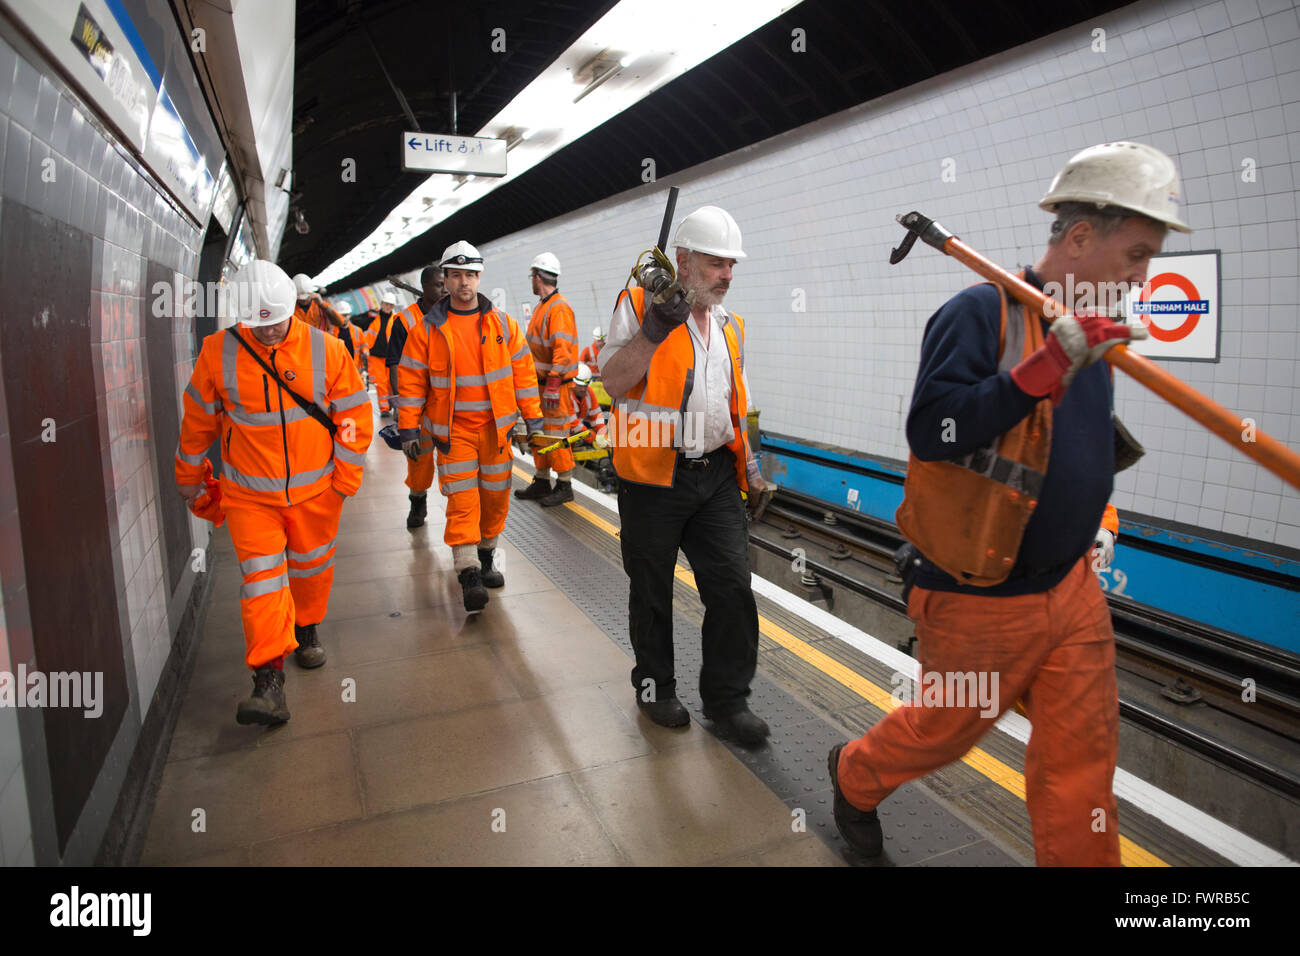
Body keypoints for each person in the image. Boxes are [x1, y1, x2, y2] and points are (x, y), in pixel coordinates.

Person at [827, 141, 1187, 866]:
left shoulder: (1094, 337)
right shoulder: (980, 314)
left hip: (1072, 592)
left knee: (1082, 771)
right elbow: (935, 430)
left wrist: (1101, 522)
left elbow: (1082, 452)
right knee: (944, 730)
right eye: (1135, 255)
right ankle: (854, 775)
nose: (1143, 276)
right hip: (980, 593)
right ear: (1081, 238)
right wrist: (1043, 367)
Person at [600, 205, 773, 746]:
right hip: (653, 473)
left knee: (732, 589)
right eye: (717, 262)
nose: (727, 274)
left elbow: (734, 404)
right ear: (683, 259)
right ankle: (656, 690)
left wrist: (752, 468)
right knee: (651, 590)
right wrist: (653, 330)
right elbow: (612, 381)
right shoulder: (636, 305)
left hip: (716, 474)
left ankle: (727, 701)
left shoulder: (730, 326)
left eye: (731, 265)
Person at [176, 260, 373, 724]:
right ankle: (268, 681)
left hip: (315, 493)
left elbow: (354, 418)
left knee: (310, 569)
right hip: (249, 495)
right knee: (261, 582)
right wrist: (188, 476)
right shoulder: (217, 353)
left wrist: (343, 481)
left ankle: (306, 627)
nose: (267, 332)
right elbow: (197, 422)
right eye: (256, 324)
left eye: (276, 321)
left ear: (293, 309)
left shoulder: (325, 350)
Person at [394, 241, 549, 611]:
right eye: (456, 275)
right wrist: (409, 429)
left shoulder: (502, 325)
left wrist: (534, 420)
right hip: (453, 433)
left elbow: (523, 376)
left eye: (470, 275)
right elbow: (412, 382)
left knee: (494, 498)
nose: (464, 282)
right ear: (445, 279)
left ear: (479, 278)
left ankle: (486, 555)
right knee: (462, 501)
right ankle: (468, 574)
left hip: (497, 431)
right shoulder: (426, 330)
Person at [515, 252, 580, 507]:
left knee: (555, 435)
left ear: (538, 277)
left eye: (532, 276)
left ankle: (564, 485)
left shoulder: (558, 307)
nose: (531, 280)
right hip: (540, 386)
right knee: (540, 435)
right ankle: (542, 481)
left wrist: (553, 383)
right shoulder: (544, 305)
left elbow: (562, 350)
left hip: (554, 388)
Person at [387, 266, 446, 529]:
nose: (444, 289)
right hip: (418, 405)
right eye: (437, 285)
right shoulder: (404, 321)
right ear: (424, 288)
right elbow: (395, 365)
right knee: (419, 459)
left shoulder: (454, 314)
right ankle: (417, 499)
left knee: (452, 461)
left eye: (446, 284)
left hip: (447, 404)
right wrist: (402, 405)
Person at [570, 362, 615, 492]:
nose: (583, 389)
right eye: (580, 385)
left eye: (585, 385)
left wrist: (603, 434)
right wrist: (593, 438)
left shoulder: (588, 392)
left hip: (577, 435)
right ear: (573, 382)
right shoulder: (567, 394)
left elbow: (596, 416)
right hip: (564, 434)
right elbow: (572, 423)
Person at [362, 292, 400, 417]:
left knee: (392, 382)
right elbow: (367, 337)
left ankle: (394, 405)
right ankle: (384, 408)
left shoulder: (396, 319)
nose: (388, 307)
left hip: (390, 357)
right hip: (375, 356)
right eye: (386, 304)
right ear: (382, 304)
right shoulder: (373, 319)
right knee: (380, 382)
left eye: (390, 305)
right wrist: (366, 349)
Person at [329, 301, 365, 373]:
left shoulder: (357, 330)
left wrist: (365, 350)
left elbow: (363, 344)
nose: (343, 318)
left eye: (345, 315)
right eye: (341, 315)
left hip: (355, 368)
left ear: (349, 315)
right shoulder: (331, 332)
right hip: (339, 369)